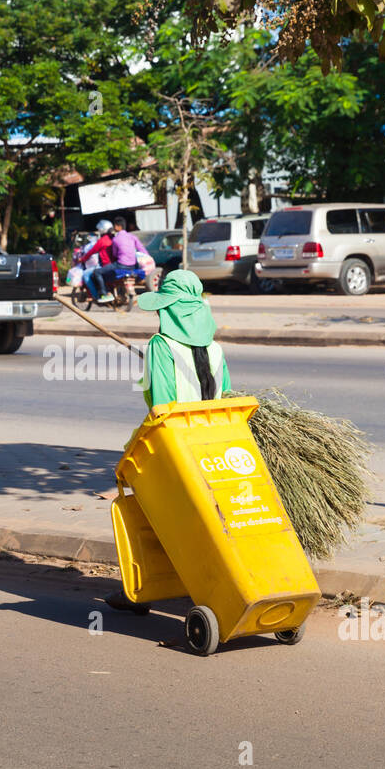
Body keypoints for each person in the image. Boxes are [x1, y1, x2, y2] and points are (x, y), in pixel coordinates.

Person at [104, 269, 231, 615]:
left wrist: (155, 364)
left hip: (174, 446)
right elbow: (226, 398)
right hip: (216, 445)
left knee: (146, 505)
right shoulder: (217, 350)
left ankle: (142, 589)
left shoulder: (161, 346)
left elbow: (160, 405)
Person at [136, 269, 230, 410]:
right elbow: (228, 398)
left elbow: (163, 407)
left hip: (179, 430)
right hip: (215, 429)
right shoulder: (215, 348)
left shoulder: (161, 345)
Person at [93, 216, 148, 305]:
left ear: (118, 226)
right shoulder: (132, 237)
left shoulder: (115, 239)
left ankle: (105, 293)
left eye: (115, 226)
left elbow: (114, 254)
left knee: (97, 272)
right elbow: (142, 249)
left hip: (121, 264)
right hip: (133, 265)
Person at [78, 220, 115, 302]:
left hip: (105, 266)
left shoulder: (102, 241)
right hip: (115, 265)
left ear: (102, 230)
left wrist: (82, 259)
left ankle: (96, 296)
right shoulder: (113, 238)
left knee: (86, 275)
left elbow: (91, 252)